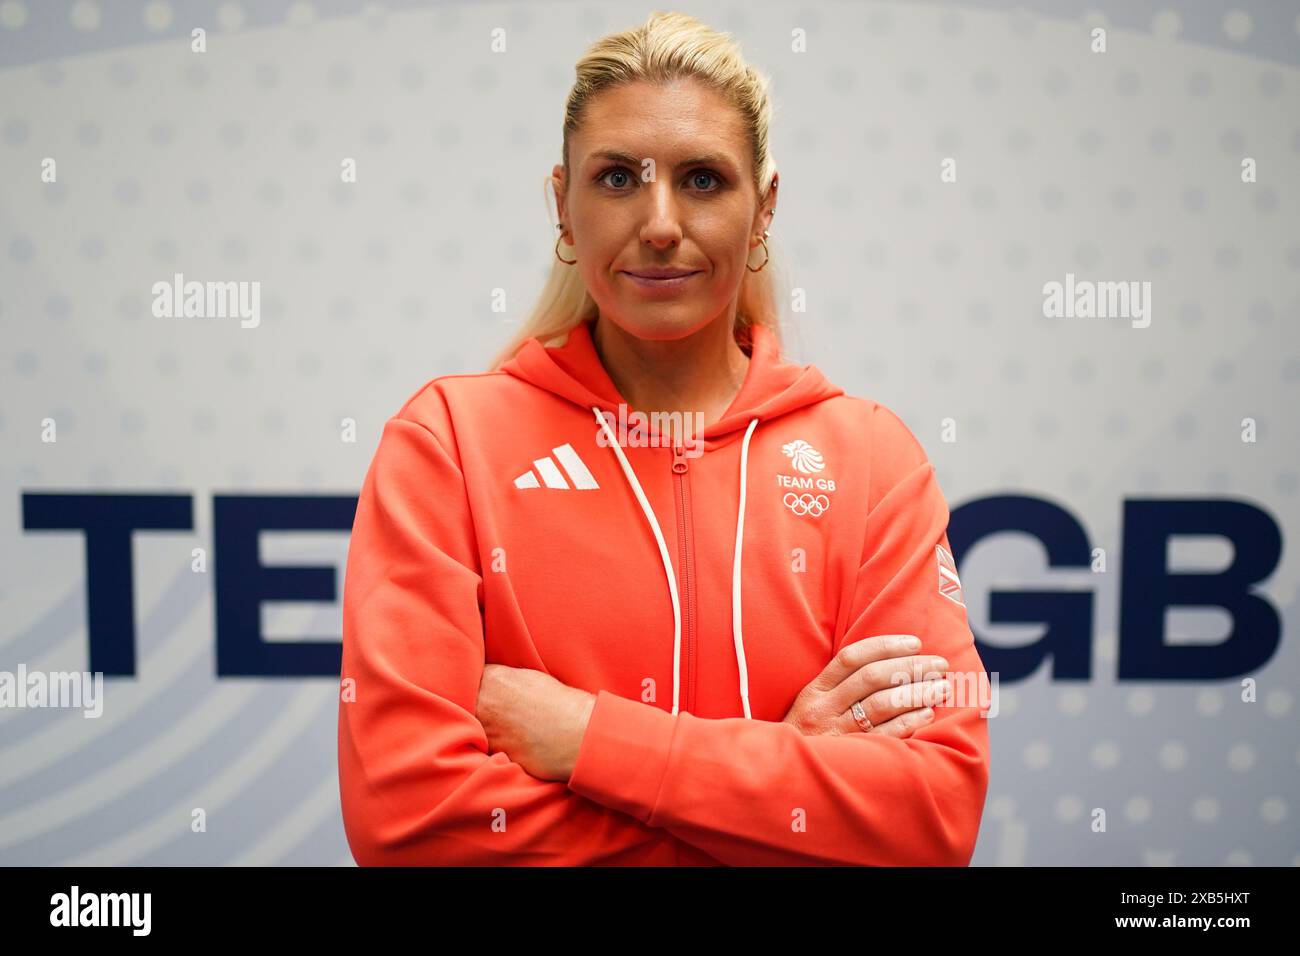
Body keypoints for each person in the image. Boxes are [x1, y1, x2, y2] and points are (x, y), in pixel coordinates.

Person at [337, 11, 990, 866]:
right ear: (561, 206)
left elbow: (929, 821)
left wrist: (589, 740)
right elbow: (408, 825)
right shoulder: (449, 445)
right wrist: (773, 798)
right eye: (616, 179)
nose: (658, 222)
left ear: (765, 208)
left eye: (703, 180)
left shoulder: (870, 461)